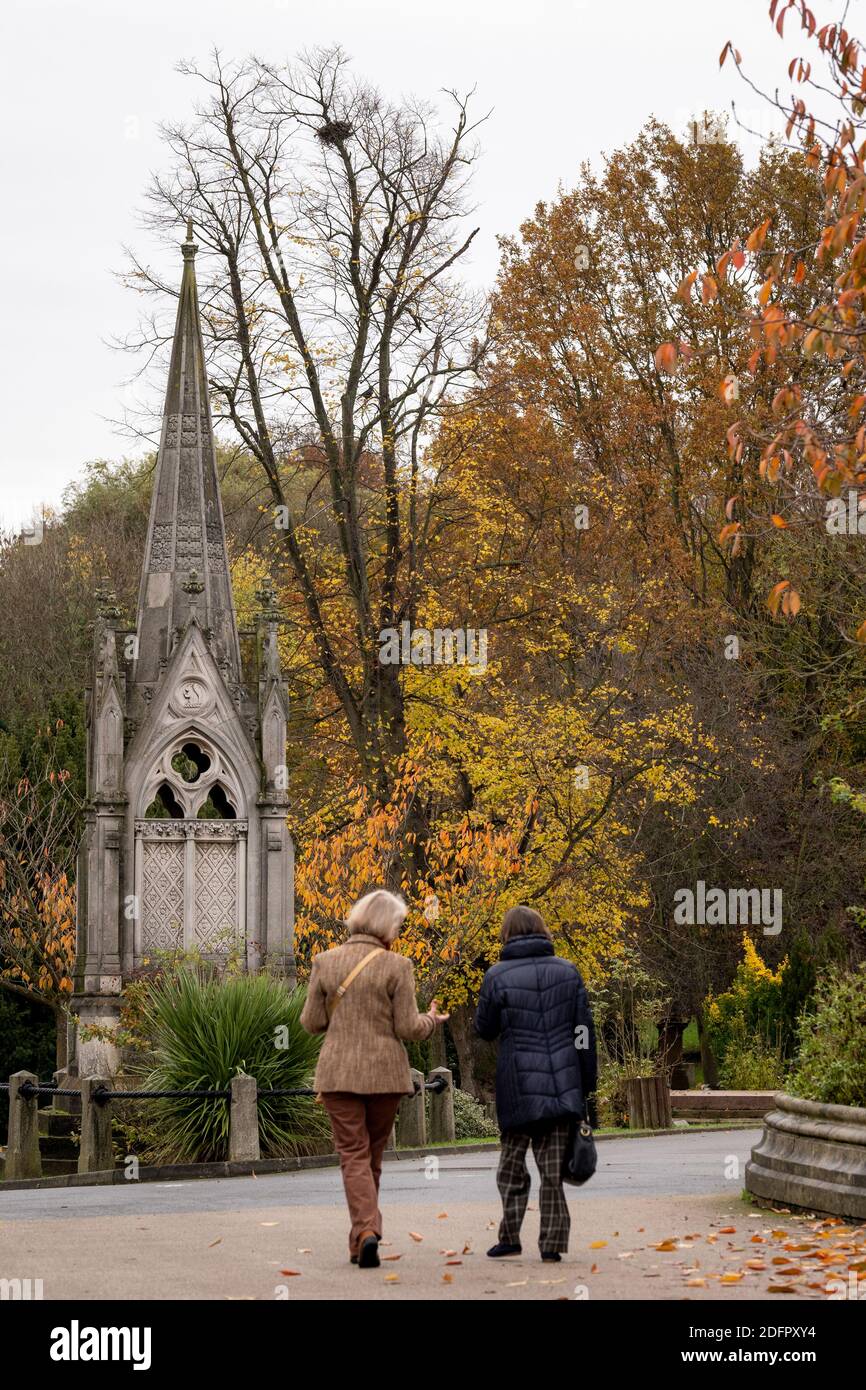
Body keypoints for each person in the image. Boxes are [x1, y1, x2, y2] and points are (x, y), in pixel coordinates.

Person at [300, 888, 448, 1268]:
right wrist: (432, 1020)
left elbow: (312, 1023)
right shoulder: (398, 966)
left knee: (352, 1154)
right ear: (387, 925)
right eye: (398, 923)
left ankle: (364, 1233)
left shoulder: (324, 962)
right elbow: (409, 1027)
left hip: (338, 1074)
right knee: (373, 1157)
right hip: (385, 1076)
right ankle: (364, 1233)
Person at [475, 904, 597, 1262]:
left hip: (517, 1088)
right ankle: (552, 1243)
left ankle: (509, 1236)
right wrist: (584, 1083)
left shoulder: (496, 975)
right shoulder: (569, 972)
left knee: (511, 1165)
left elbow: (484, 1028)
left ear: (506, 934)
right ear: (543, 931)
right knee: (552, 1172)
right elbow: (582, 1034)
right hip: (561, 1088)